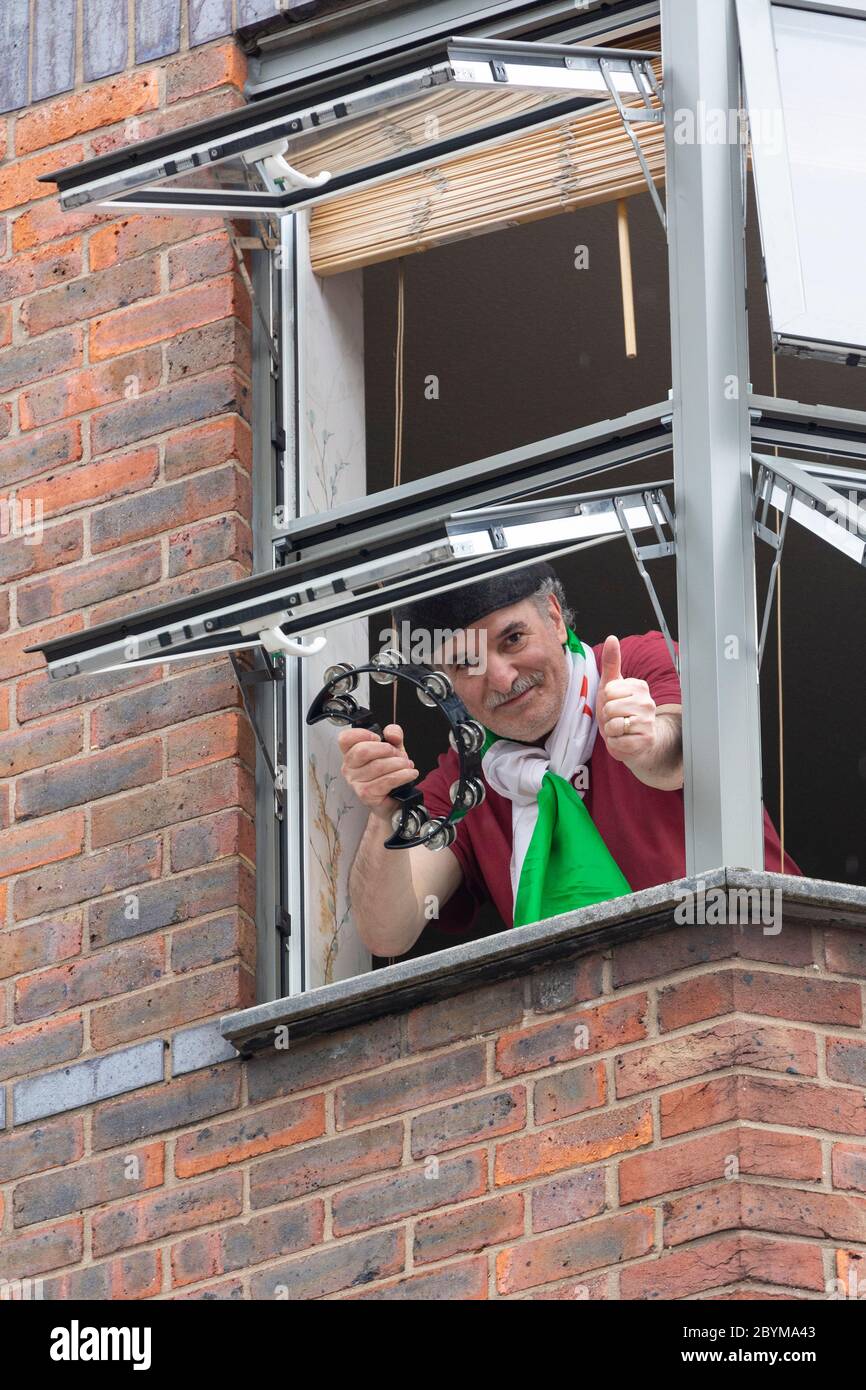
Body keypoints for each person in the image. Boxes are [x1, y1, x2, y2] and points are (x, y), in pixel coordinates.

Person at [338, 562, 801, 957]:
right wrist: (386, 812)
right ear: (443, 683)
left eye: (513, 639)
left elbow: (683, 755)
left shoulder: (637, 664)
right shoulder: (465, 778)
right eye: (465, 664)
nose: (501, 678)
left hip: (766, 976)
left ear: (556, 619)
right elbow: (388, 933)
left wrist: (646, 741)